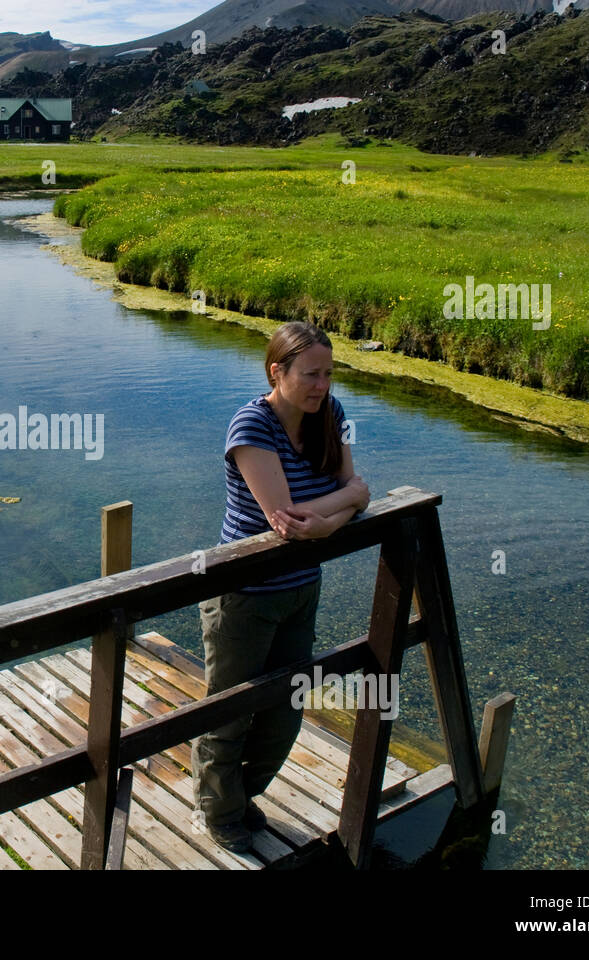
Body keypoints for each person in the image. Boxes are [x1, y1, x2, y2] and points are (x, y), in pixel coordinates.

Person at [192, 321, 371, 853]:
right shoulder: (251, 426)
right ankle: (218, 813)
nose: (322, 385)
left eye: (329, 374)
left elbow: (355, 493)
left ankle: (237, 796)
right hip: (242, 596)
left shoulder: (329, 416)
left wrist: (329, 523)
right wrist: (340, 507)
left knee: (286, 710)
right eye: (311, 374)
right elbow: (284, 518)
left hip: (300, 588)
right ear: (278, 371)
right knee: (228, 712)